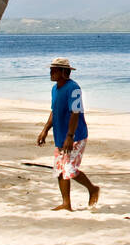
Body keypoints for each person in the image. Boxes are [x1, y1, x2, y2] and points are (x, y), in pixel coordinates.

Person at [38, 57, 100, 211]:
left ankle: (93, 189)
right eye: (51, 70)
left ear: (64, 72)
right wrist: (45, 130)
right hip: (60, 135)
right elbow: (54, 111)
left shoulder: (74, 88)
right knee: (60, 170)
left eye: (55, 70)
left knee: (70, 170)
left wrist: (70, 136)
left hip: (76, 135)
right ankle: (66, 203)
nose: (51, 73)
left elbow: (75, 112)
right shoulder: (55, 89)